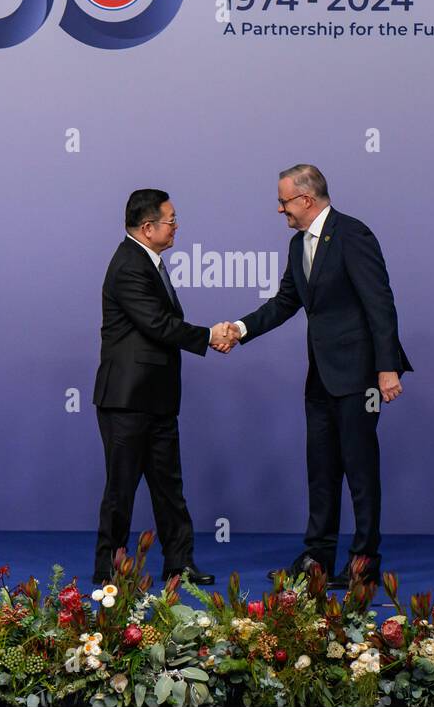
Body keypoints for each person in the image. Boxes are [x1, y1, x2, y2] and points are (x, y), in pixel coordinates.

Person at [224, 165, 411, 587]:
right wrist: (240, 329)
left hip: (360, 376)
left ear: (306, 200)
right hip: (321, 378)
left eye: (284, 201)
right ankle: (318, 557)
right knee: (321, 468)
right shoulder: (298, 245)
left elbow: (379, 303)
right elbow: (284, 302)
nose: (279, 209)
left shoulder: (352, 234)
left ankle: (364, 561)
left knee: (360, 469)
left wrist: (386, 368)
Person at [92, 188, 235, 586]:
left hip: (156, 399)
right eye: (171, 221)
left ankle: (179, 563)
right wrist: (209, 335)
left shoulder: (148, 262)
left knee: (169, 486)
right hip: (126, 400)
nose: (176, 228)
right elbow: (156, 325)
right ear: (147, 226)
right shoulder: (129, 265)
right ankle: (109, 569)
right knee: (121, 489)